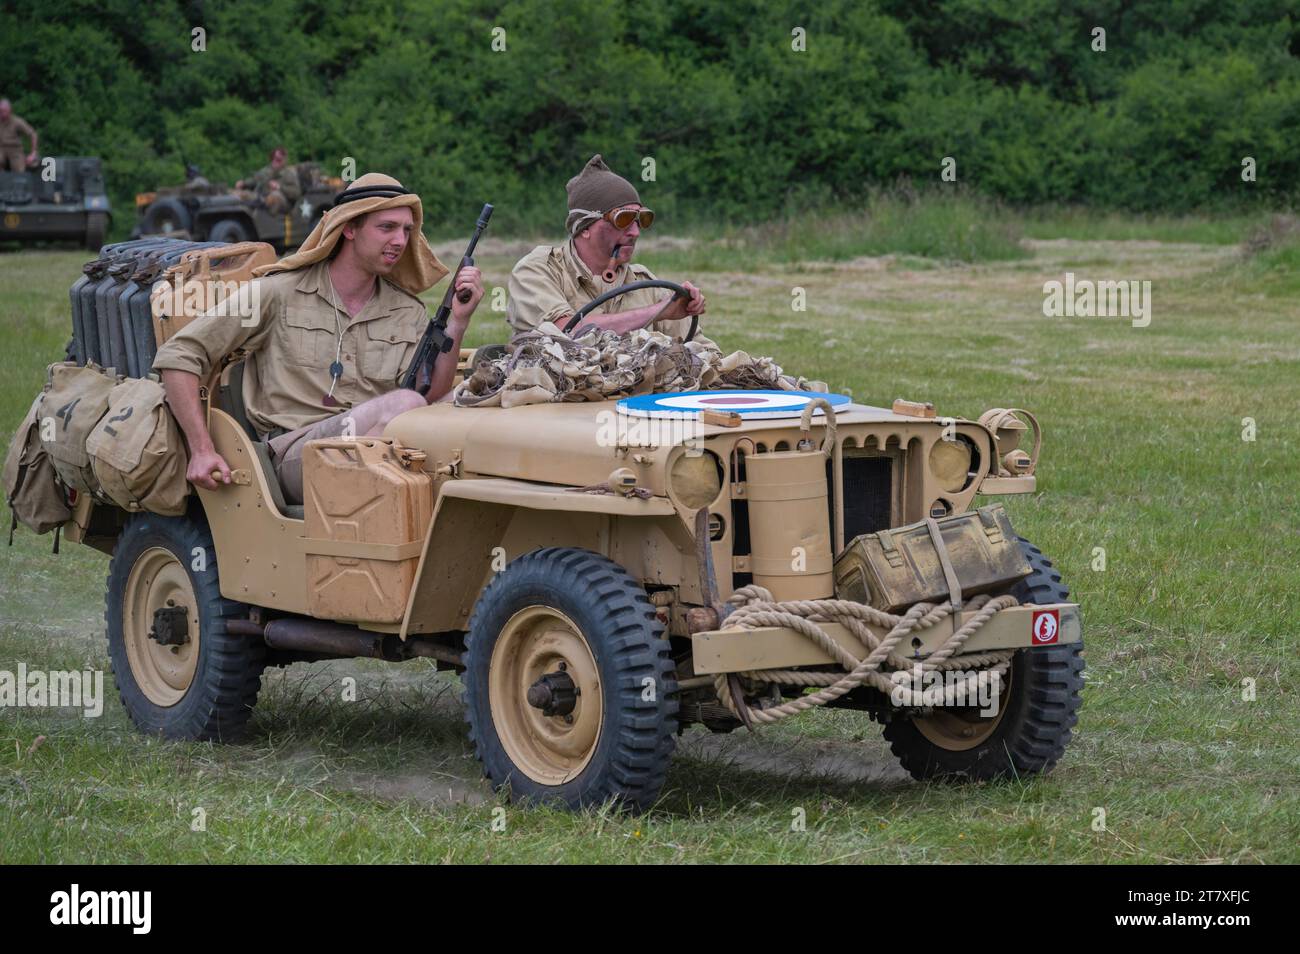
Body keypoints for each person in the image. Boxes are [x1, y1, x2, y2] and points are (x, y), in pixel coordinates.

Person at [152, 172, 483, 504]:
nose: (400, 240)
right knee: (406, 404)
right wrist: (201, 449)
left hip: (378, 446)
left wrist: (457, 321)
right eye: (387, 228)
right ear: (349, 228)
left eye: (407, 230)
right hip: (297, 452)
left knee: (469, 398)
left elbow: (429, 392)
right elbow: (180, 354)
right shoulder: (279, 293)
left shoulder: (405, 310)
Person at [507, 154, 709, 343]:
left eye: (641, 219)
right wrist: (657, 311)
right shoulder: (537, 270)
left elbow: (704, 354)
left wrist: (685, 305)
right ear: (584, 228)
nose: (635, 232)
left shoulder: (648, 286)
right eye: (623, 219)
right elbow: (566, 331)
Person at [235, 146, 302, 214]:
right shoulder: (265, 171)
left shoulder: (289, 174)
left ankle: (262, 210)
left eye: (278, 160)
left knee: (275, 195)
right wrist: (244, 183)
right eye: (273, 158)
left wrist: (279, 187)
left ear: (284, 160)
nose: (275, 161)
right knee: (243, 194)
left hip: (282, 204)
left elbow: (296, 193)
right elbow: (254, 180)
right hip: (262, 198)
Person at [0, 98, 37, 172]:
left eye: (3, 111)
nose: (1, 113)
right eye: (0, 111)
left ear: (9, 111)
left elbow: (32, 134)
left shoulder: (17, 122)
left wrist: (33, 153)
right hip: (1, 148)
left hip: (15, 149)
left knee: (19, 170)